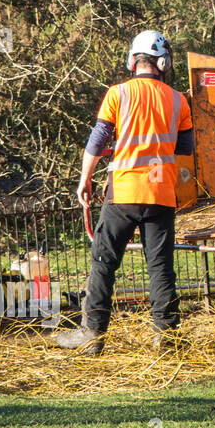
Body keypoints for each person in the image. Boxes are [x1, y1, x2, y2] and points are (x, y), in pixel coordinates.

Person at [56, 31, 193, 354]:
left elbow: (97, 140)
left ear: (133, 61)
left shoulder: (118, 94)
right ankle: (167, 337)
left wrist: (85, 180)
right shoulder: (179, 100)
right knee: (160, 267)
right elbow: (185, 148)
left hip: (124, 193)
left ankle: (92, 334)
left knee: (104, 262)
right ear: (163, 63)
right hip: (161, 194)